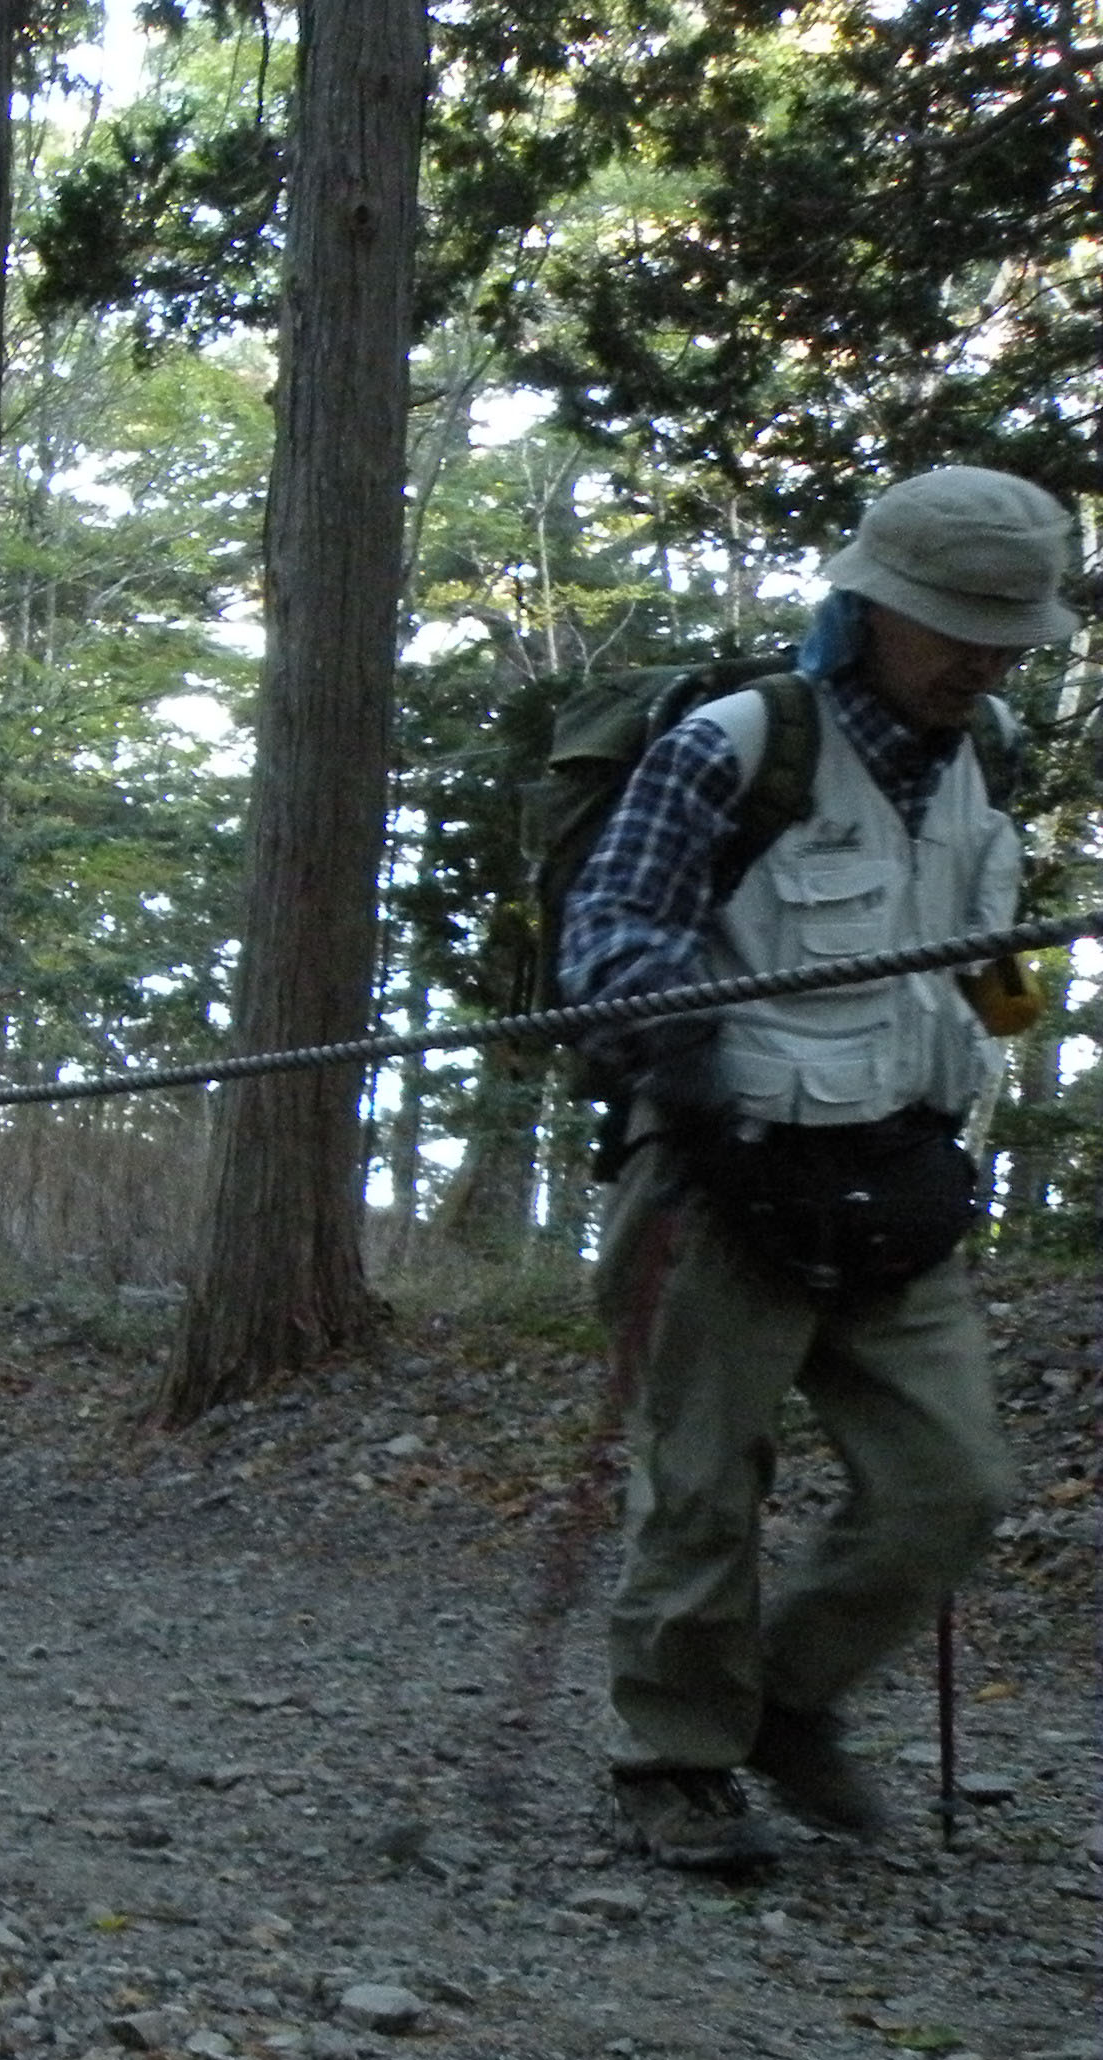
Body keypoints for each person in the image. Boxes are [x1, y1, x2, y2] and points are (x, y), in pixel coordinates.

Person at [561, 465, 1065, 1870]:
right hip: (718, 1175)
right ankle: (676, 1762)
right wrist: (672, 1040)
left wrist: (991, 1009)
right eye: (957, 625)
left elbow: (969, 957)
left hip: (897, 1177)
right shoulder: (735, 745)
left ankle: (786, 1700)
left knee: (953, 1485)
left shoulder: (986, 756)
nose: (983, 658)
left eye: (1007, 633)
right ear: (873, 606)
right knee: (700, 1488)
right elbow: (611, 926)